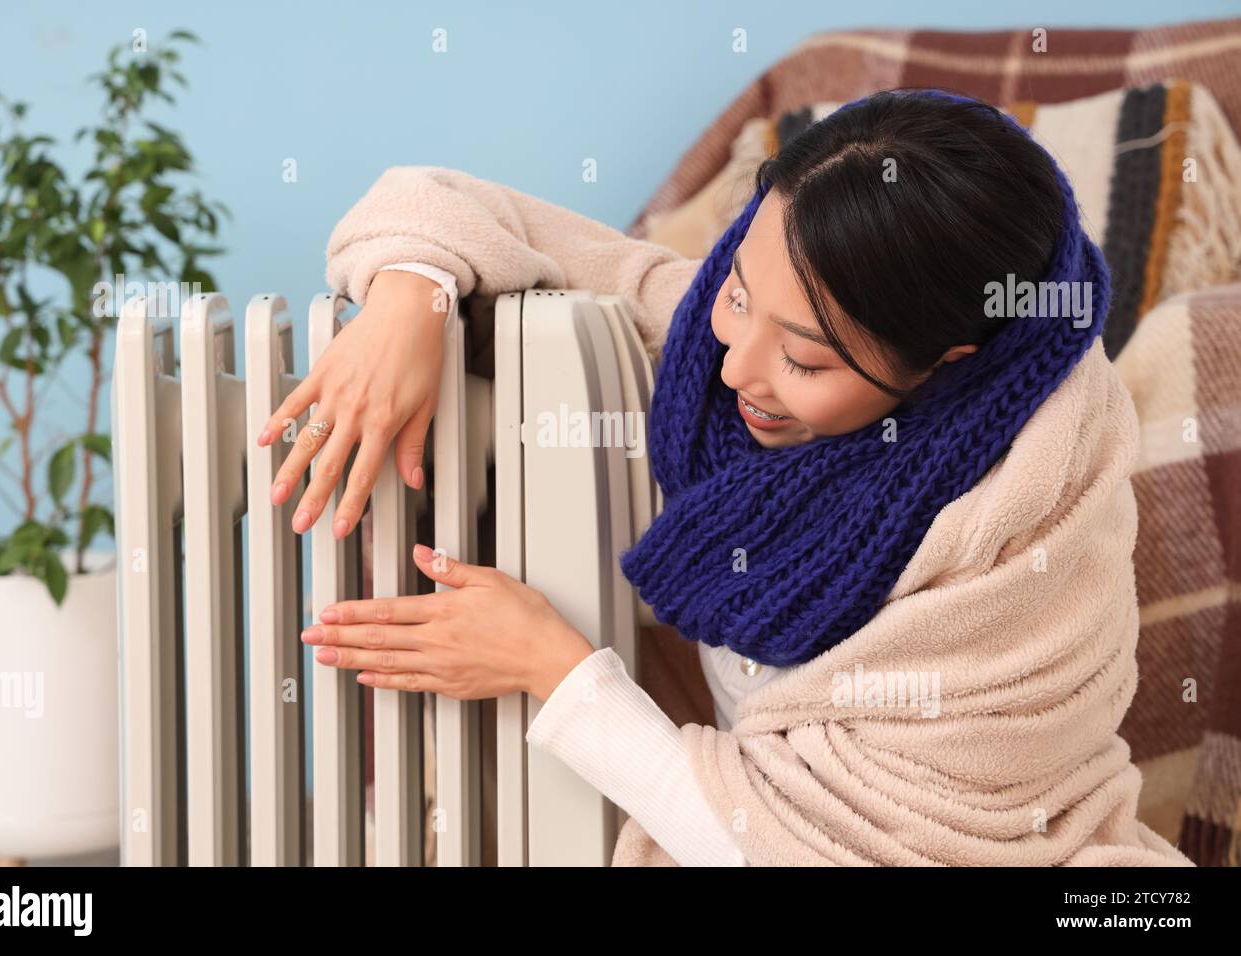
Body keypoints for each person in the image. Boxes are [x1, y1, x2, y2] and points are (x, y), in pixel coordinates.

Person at [257, 89, 1192, 867]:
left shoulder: (1025, 521)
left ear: (944, 367)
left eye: (808, 361)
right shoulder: (726, 338)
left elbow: (836, 854)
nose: (739, 367)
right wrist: (408, 296)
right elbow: (438, 199)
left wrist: (555, 669)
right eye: (740, 291)